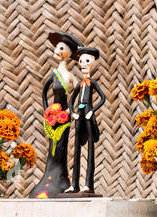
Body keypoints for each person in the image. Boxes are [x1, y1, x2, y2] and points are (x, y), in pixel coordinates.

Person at [31, 31, 80, 198]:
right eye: (58, 47)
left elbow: (77, 93)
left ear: (69, 54)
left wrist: (70, 110)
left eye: (62, 48)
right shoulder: (55, 74)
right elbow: (45, 91)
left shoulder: (70, 77)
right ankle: (49, 178)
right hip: (52, 114)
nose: (59, 51)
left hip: (64, 115)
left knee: (61, 144)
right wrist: (47, 109)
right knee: (53, 143)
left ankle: (60, 178)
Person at [68, 46, 104, 195]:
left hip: (88, 114)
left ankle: (88, 184)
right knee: (76, 150)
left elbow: (103, 98)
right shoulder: (80, 84)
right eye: (81, 61)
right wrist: (73, 113)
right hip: (79, 115)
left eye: (87, 60)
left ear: (93, 62)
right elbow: (72, 100)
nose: (83, 64)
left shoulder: (92, 83)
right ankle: (74, 184)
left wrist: (92, 111)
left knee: (90, 150)